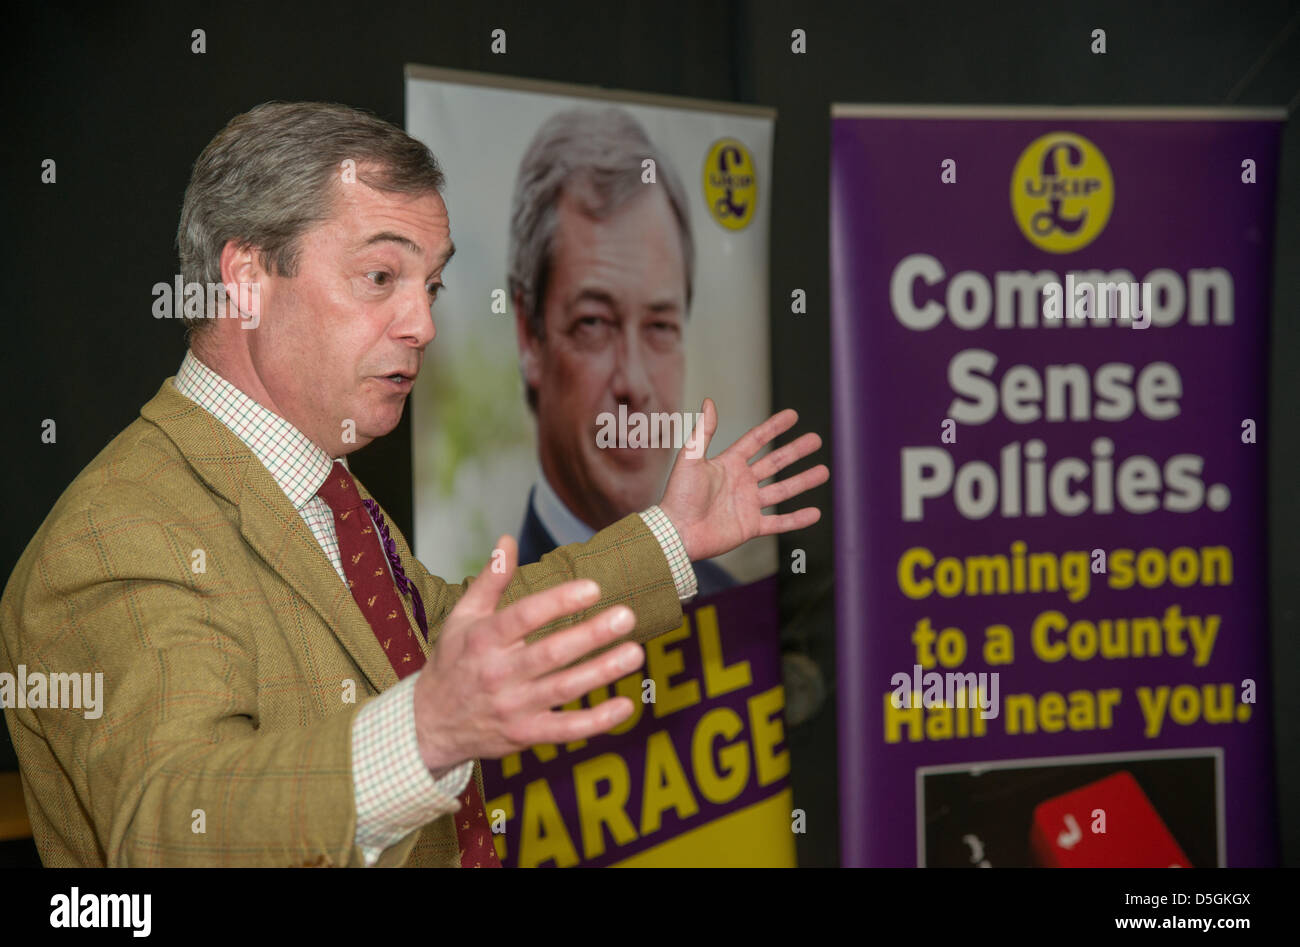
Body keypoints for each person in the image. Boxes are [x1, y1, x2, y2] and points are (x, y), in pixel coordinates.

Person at [0, 101, 827, 867]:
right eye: (380, 278)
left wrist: (668, 538)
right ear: (246, 280)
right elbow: (170, 822)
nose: (423, 323)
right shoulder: (118, 534)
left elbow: (454, 637)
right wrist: (426, 730)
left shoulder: (326, 487)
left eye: (430, 284)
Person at [509, 107, 733, 595]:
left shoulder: (732, 604)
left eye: (659, 326)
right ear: (530, 335)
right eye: (594, 323)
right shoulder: (480, 627)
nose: (634, 382)